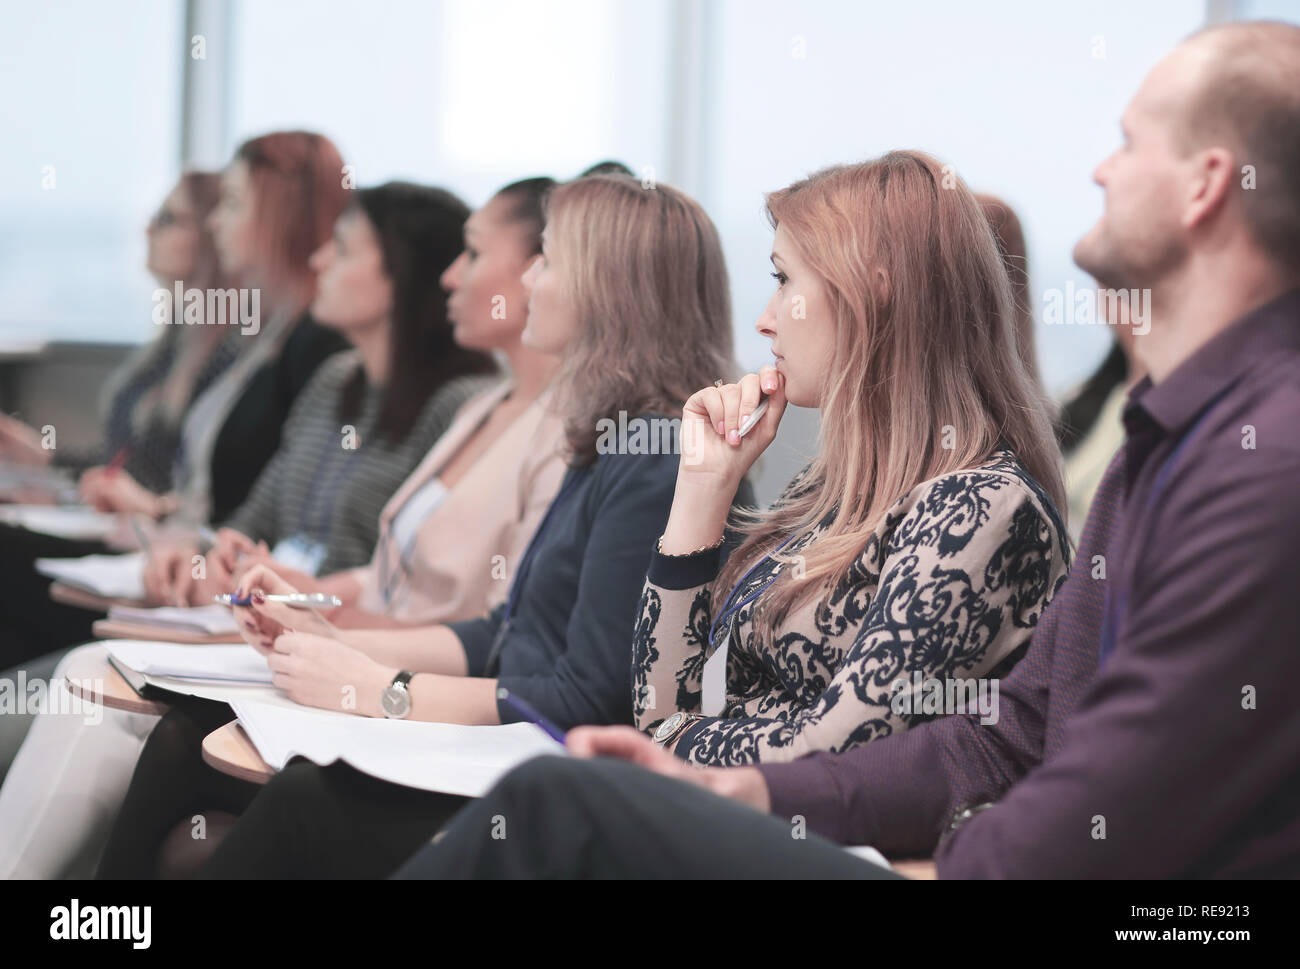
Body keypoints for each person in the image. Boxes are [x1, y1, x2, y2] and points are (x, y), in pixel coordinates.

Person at [397, 20, 1300, 881]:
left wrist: (700, 760)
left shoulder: (1259, 466)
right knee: (560, 804)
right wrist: (740, 783)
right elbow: (1007, 734)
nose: (1101, 168)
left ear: (1206, 183)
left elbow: (1110, 803)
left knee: (560, 806)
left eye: (1129, 143)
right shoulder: (1163, 443)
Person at [95, 174, 752, 879]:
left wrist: (379, 686)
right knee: (186, 734)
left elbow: (590, 699)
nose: (531, 275)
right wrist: (336, 640)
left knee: (306, 799)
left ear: (609, 290)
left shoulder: (651, 453)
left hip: (539, 769)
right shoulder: (611, 439)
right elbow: (504, 631)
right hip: (497, 741)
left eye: (551, 259)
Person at [0, 178, 561, 880]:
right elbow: (321, 543)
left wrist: (330, 622)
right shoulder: (442, 401)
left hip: (390, 667)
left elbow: (500, 633)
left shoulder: (503, 414)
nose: (455, 273)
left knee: (121, 699)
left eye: (475, 256)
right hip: (343, 638)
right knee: (118, 690)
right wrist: (232, 562)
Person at [633, 153, 1069, 767]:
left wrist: (672, 740)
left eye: (784, 281)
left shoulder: (978, 507)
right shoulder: (833, 491)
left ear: (874, 294)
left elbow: (835, 755)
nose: (764, 320)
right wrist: (704, 489)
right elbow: (657, 707)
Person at [0, 131, 351, 668]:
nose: (216, 222)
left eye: (232, 205)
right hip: (183, 555)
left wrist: (172, 524)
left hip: (202, 572)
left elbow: (287, 523)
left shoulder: (308, 349)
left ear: (278, 214)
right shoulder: (262, 339)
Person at [139, 181, 497, 606]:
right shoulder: (334, 381)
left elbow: (421, 585)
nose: (319, 260)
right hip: (261, 623)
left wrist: (303, 593)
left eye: (342, 250)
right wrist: (200, 555)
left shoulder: (460, 406)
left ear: (401, 275)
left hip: (344, 642)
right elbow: (253, 521)